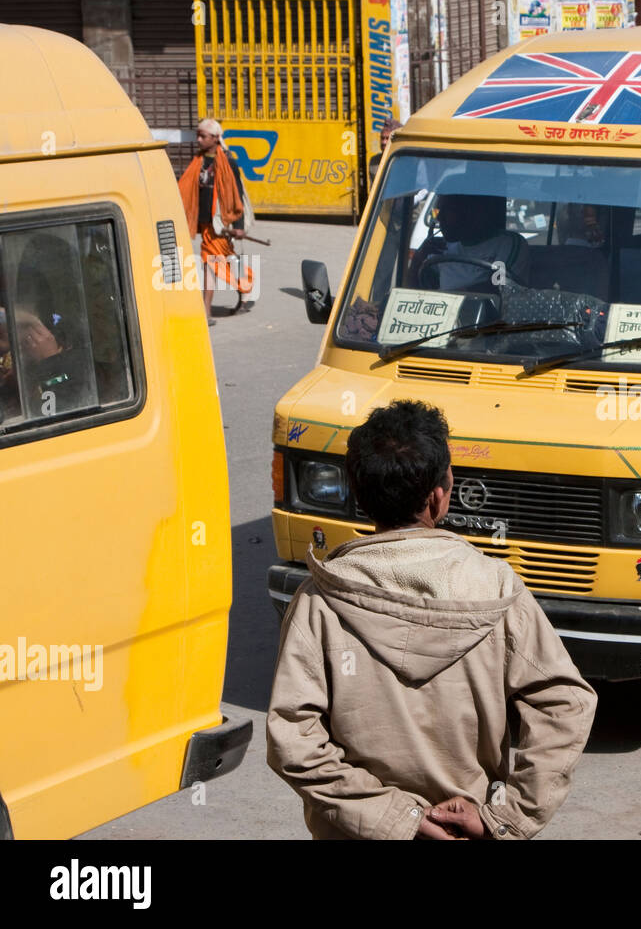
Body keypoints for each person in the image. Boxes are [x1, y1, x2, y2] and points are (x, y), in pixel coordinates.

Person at [266, 399, 597, 839]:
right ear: (440, 494)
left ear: (358, 495)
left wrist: (394, 818)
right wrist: (507, 816)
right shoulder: (495, 588)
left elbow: (294, 740)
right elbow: (566, 703)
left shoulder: (319, 602)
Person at [179, 118, 253, 325]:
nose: (199, 139)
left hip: (220, 225)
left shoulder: (228, 162)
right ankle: (235, 292)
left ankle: (208, 311)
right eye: (198, 135)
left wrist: (238, 227)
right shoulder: (198, 161)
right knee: (212, 263)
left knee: (213, 263)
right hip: (204, 224)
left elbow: (236, 194)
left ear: (214, 138)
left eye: (203, 136)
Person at [412, 178, 531, 290]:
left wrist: (446, 299)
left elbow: (498, 289)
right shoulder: (442, 249)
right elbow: (410, 290)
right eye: (438, 211)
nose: (439, 218)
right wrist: (419, 257)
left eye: (447, 210)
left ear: (471, 211)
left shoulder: (507, 244)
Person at [367, 118, 402, 186]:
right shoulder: (374, 162)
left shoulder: (404, 160)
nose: (384, 142)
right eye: (382, 138)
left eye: (387, 138)